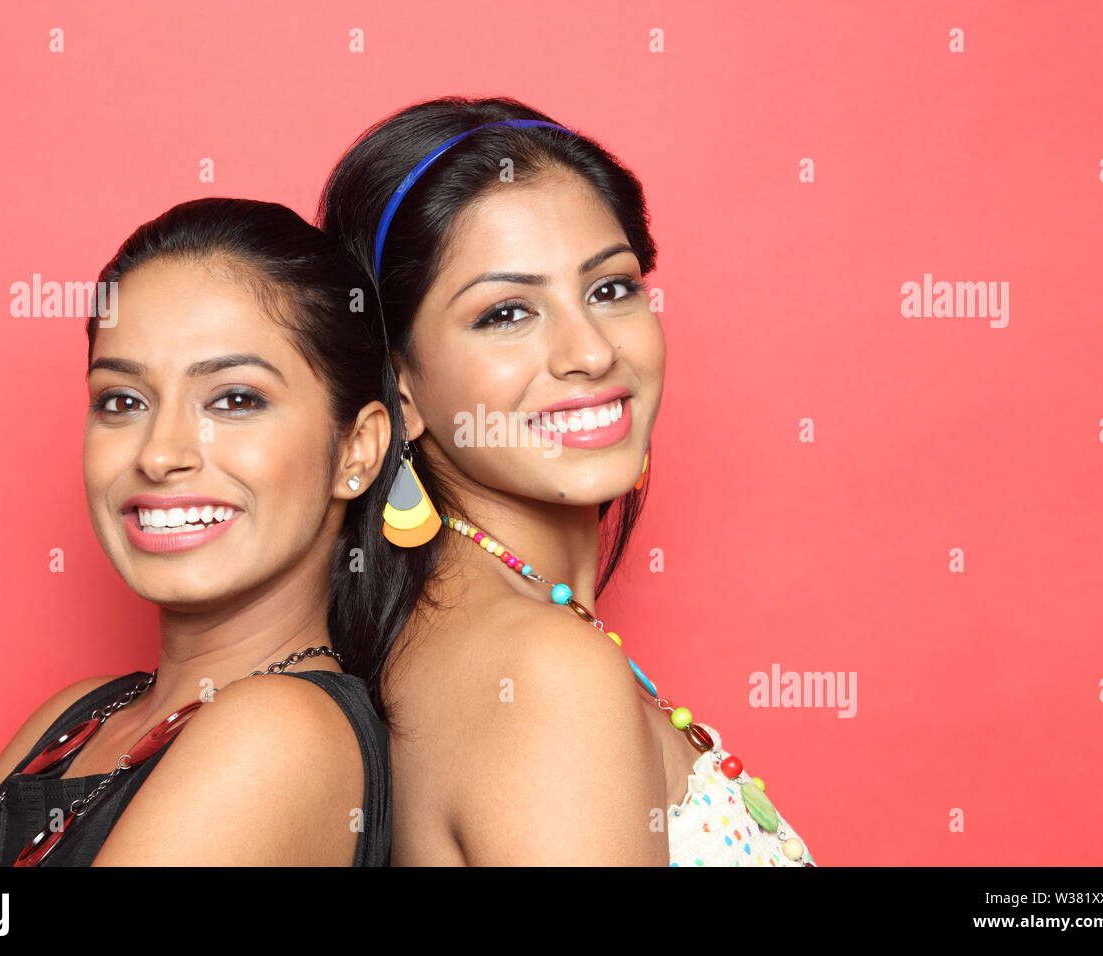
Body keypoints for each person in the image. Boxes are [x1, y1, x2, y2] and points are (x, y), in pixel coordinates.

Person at [319, 96, 815, 866]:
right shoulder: (544, 673)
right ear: (402, 387)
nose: (589, 351)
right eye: (507, 312)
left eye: (610, 289)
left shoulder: (462, 638)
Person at [0, 198, 394, 866]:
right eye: (123, 401)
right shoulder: (76, 718)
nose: (158, 453)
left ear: (356, 451)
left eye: (234, 400)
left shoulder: (278, 732)